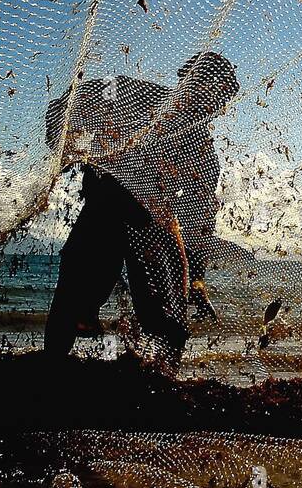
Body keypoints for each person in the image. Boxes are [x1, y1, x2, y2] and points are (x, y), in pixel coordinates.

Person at [43, 53, 239, 366]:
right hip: (104, 209)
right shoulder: (130, 92)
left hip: (151, 224)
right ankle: (48, 373)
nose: (209, 102)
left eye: (218, 98)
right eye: (203, 88)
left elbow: (198, 218)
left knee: (170, 323)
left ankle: (160, 388)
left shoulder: (201, 149)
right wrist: (63, 140)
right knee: (71, 304)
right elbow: (63, 105)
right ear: (184, 79)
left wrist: (198, 279)